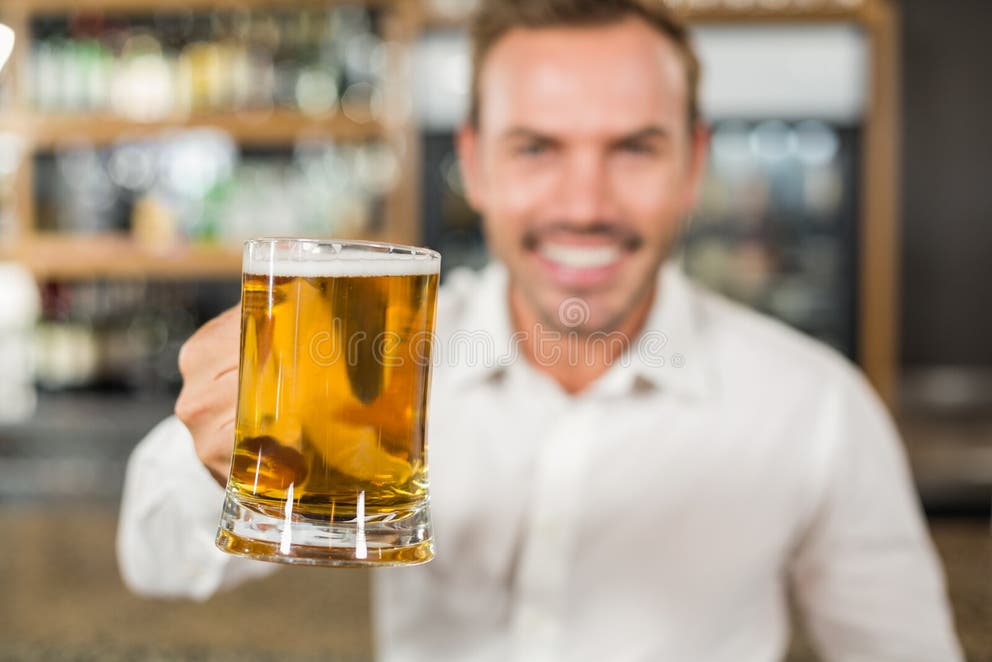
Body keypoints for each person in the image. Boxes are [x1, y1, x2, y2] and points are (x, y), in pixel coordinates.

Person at [117, 1, 963, 660]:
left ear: (692, 166)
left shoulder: (815, 405)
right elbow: (155, 564)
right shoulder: (364, 360)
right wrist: (220, 458)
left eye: (633, 147)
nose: (584, 203)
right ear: (477, 164)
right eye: (537, 148)